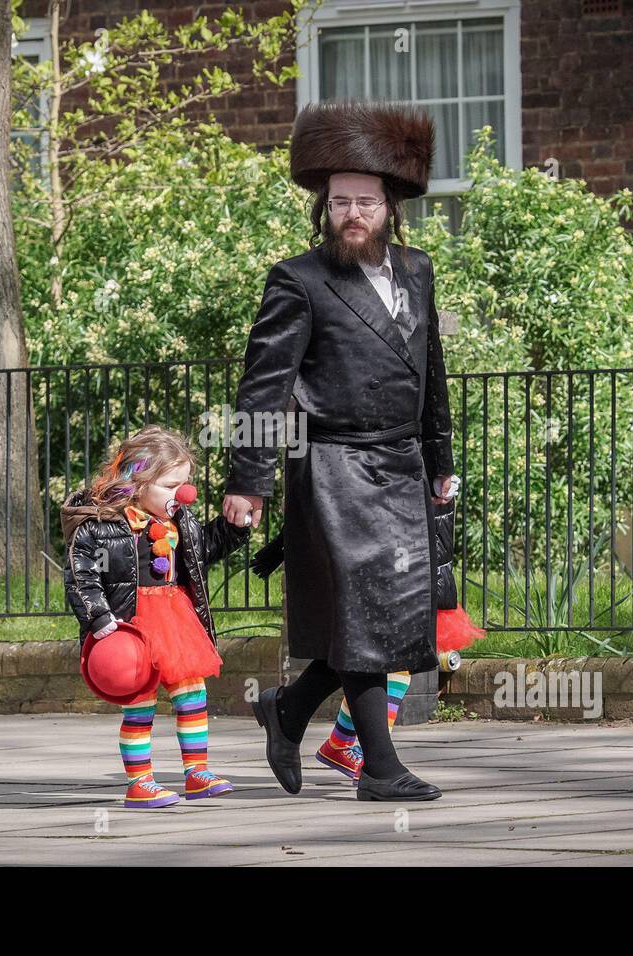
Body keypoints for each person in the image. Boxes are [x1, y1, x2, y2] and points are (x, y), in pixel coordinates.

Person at [221, 99, 456, 801]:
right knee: (361, 613)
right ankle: (380, 769)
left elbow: (432, 371)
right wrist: (248, 481)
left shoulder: (418, 271)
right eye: (340, 202)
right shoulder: (299, 279)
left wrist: (442, 460)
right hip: (332, 467)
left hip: (401, 465)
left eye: (367, 202)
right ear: (324, 208)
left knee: (393, 616)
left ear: (390, 208)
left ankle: (286, 710)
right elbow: (263, 386)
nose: (352, 213)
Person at [62, 424, 251, 807]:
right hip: (133, 625)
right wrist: (98, 619)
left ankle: (197, 772)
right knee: (140, 705)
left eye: (184, 484)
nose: (183, 495)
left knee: (193, 696)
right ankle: (140, 781)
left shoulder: (181, 521)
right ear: (137, 480)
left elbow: (204, 550)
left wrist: (234, 529)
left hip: (175, 618)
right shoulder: (102, 527)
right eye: (170, 485)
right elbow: (81, 575)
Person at [251, 496, 487, 783]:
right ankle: (366, 754)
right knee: (385, 650)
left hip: (411, 550)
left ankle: (331, 734)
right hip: (389, 544)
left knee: (388, 652)